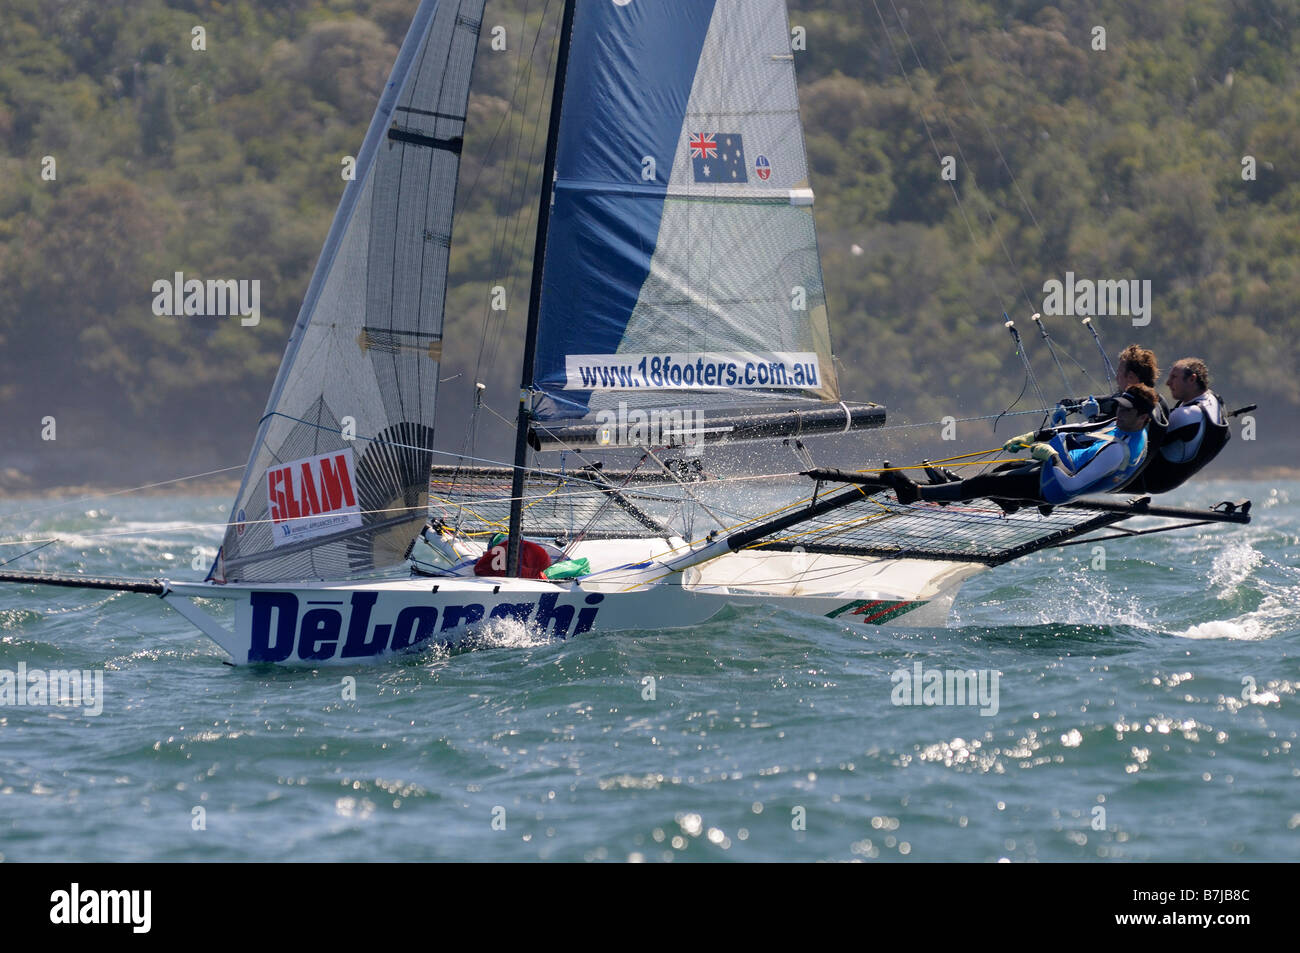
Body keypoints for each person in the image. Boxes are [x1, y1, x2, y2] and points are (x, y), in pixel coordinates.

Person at [884, 384, 1157, 507]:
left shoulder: (1118, 452)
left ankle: (915, 493)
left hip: (1054, 487)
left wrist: (1050, 456)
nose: (1119, 414)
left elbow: (1074, 486)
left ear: (1143, 417)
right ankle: (951, 491)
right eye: (1119, 408)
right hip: (1058, 468)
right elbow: (1082, 428)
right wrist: (1032, 437)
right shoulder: (1128, 428)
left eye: (1127, 411)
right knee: (1007, 467)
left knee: (987, 484)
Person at [1129, 357, 1230, 493]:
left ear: (1192, 379)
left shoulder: (1188, 415)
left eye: (1174, 377)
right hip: (1172, 479)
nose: (1168, 383)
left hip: (1152, 480)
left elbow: (1141, 436)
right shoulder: (1213, 399)